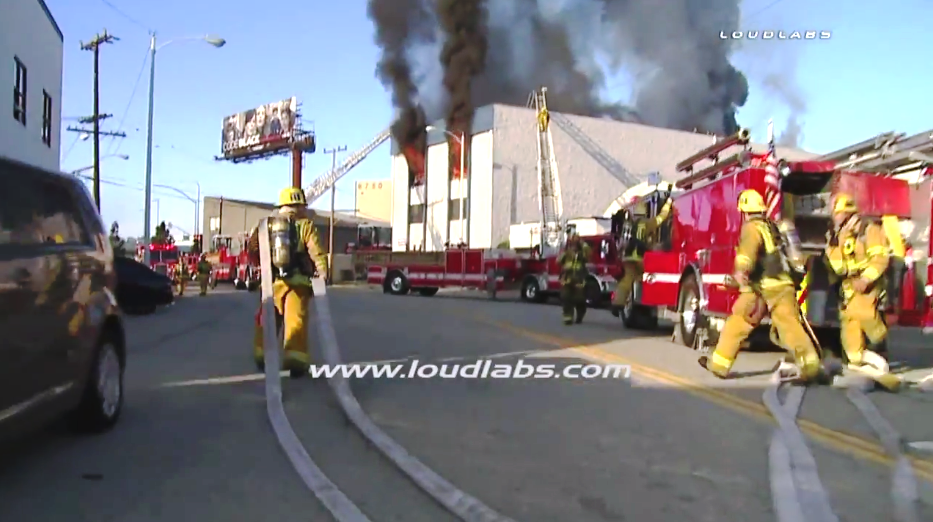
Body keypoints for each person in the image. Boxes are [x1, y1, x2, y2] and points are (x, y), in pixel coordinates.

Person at [699, 189, 822, 382]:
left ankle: (719, 365)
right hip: (783, 285)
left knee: (738, 323)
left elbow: (747, 253)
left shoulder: (751, 228)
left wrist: (741, 271)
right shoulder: (772, 227)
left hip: (760, 287)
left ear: (744, 212)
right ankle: (811, 368)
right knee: (791, 327)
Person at [247, 187, 329, 377]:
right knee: (295, 321)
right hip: (298, 283)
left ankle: (262, 354)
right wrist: (322, 273)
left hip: (272, 283)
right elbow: (316, 251)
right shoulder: (305, 225)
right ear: (298, 206)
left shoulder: (266, 225)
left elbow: (253, 249)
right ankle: (295, 359)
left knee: (267, 319)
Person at [824, 194, 890, 365]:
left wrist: (866, 279)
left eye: (838, 213)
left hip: (867, 284)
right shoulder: (837, 234)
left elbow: (880, 258)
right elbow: (838, 265)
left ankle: (879, 345)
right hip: (849, 285)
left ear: (848, 213)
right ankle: (855, 360)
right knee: (849, 321)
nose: (835, 217)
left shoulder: (869, 230)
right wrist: (832, 247)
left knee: (865, 314)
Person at [610, 185, 673, 317]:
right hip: (640, 258)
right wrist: (668, 203)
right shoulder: (647, 223)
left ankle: (617, 304)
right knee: (645, 279)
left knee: (627, 280)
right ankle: (645, 304)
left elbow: (622, 241)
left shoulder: (628, 224)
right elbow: (661, 218)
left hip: (627, 257)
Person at [557, 231, 591, 325]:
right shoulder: (566, 252)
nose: (573, 246)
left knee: (579, 299)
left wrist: (582, 243)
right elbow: (558, 261)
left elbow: (589, 254)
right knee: (566, 297)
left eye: (576, 243)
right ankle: (568, 317)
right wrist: (564, 252)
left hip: (579, 279)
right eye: (572, 242)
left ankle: (580, 315)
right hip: (567, 279)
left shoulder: (582, 253)